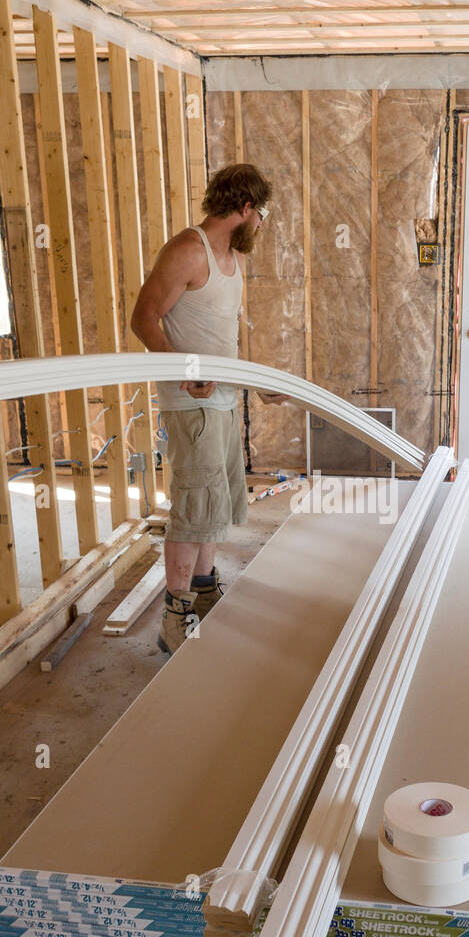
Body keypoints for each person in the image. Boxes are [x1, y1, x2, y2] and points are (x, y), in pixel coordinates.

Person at [130, 163, 287, 654]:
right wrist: (184, 371)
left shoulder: (233, 260)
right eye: (260, 213)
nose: (261, 223)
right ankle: (174, 615)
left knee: (212, 504)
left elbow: (225, 337)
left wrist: (255, 385)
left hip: (222, 400)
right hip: (190, 404)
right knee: (192, 504)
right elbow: (142, 318)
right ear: (244, 209)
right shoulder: (188, 250)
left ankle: (202, 590)